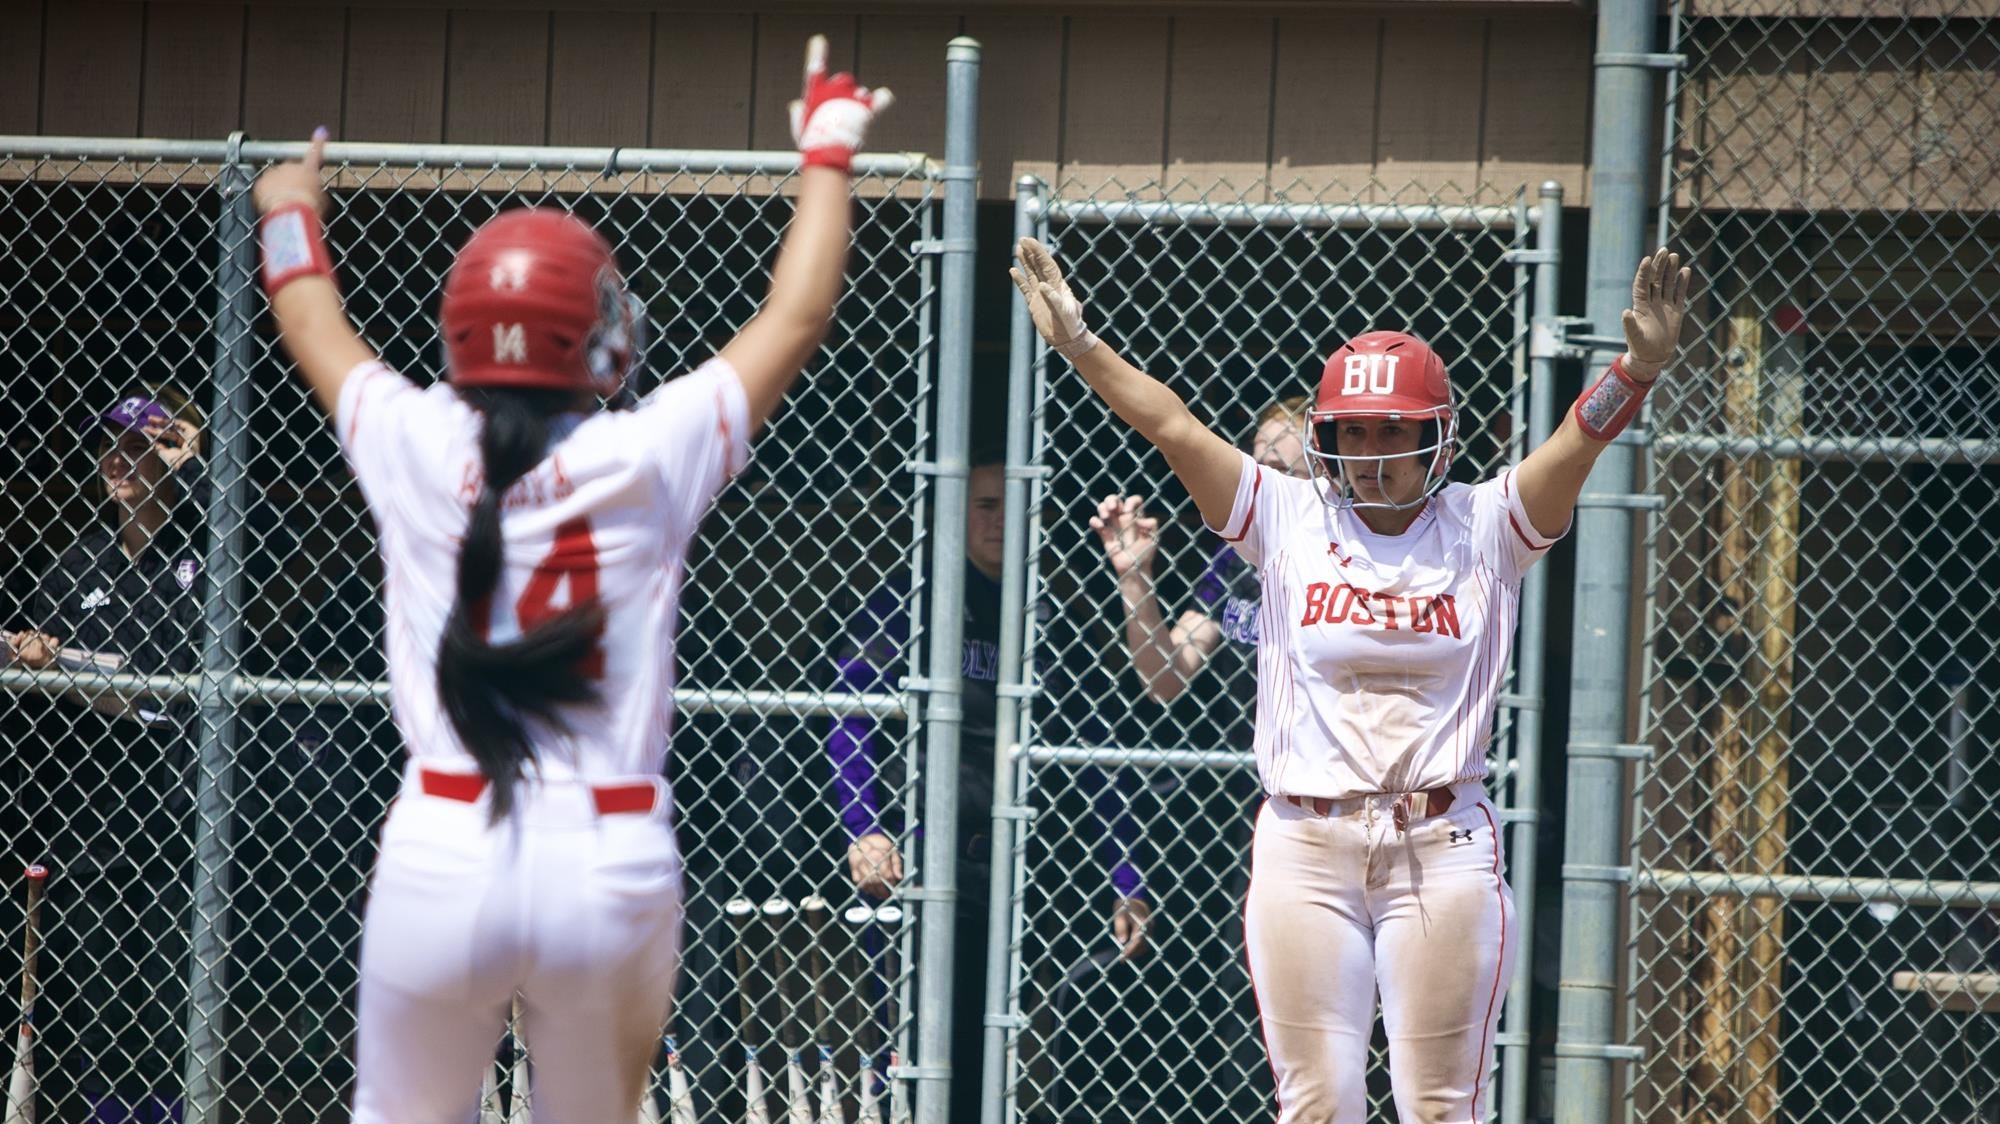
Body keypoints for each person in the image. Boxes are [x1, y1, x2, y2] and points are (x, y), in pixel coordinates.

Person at [251, 38, 890, 1122]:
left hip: (443, 838)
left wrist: (285, 200)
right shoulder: (642, 455)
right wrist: (825, 153)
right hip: (609, 851)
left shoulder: (408, 434)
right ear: (591, 341)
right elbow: (796, 314)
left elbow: (308, 313)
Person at [1012, 236, 1691, 1122]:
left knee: (1442, 1108)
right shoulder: (1290, 515)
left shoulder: (1486, 522)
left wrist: (1637, 369)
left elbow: (1578, 437)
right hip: (1305, 846)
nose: (1372, 450)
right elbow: (1173, 425)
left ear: (1434, 436)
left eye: (1393, 430)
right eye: (1353, 430)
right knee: (1317, 1107)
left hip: (1440, 847)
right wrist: (1079, 345)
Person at [825, 450, 1149, 1124]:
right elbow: (850, 720)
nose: (1001, 521)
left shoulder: (1053, 616)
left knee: (1011, 1061)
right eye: (985, 506)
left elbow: (1095, 756)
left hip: (1029, 873)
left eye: (1014, 506)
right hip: (924, 862)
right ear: (953, 513)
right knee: (915, 1049)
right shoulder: (911, 603)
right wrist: (865, 826)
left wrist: (1125, 872)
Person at [4, 387, 205, 1123]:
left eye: (139, 443)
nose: (118, 458)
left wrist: (199, 472)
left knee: (163, 1002)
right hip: (90, 819)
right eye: (108, 444)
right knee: (95, 1002)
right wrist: (33, 658)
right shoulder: (74, 561)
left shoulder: (202, 554)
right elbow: (53, 672)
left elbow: (172, 685)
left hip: (176, 815)